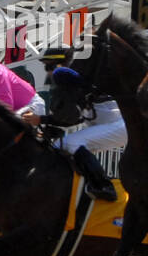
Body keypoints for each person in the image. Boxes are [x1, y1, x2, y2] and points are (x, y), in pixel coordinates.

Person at [41, 46, 120, 201]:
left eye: (50, 66)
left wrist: (42, 120)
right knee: (58, 145)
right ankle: (79, 187)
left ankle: (105, 186)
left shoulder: (71, 80)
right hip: (108, 126)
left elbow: (68, 118)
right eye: (46, 67)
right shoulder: (74, 83)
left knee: (72, 142)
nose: (48, 72)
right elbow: (71, 120)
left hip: (118, 125)